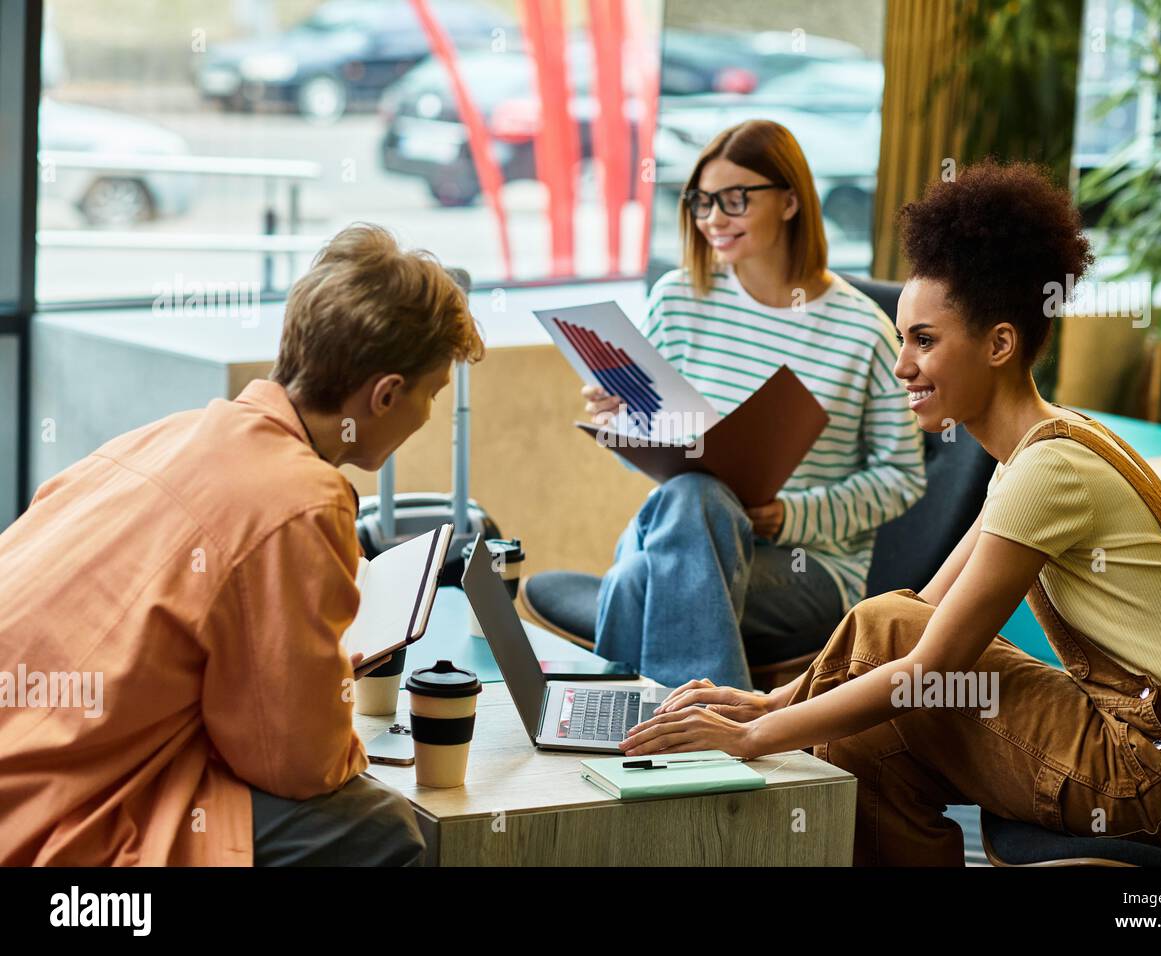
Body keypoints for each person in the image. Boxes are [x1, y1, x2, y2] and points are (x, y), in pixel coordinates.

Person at [617, 160, 1161, 865]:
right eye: (902, 338)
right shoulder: (1034, 454)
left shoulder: (1048, 471)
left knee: (886, 637)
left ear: (999, 344)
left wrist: (752, 734)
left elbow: (929, 661)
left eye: (924, 340)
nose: (902, 365)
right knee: (866, 727)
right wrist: (773, 703)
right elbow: (920, 610)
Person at [0, 224, 484, 866]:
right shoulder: (302, 497)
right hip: (48, 821)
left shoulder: (169, 435)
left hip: (27, 763)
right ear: (386, 393)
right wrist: (329, 695)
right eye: (431, 394)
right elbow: (298, 765)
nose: (425, 415)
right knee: (380, 828)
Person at [582, 120, 925, 691]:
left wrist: (790, 514)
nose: (713, 218)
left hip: (805, 563)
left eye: (735, 199)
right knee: (689, 504)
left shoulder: (861, 330)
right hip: (681, 533)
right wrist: (624, 423)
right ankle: (710, 729)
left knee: (636, 577)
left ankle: (631, 722)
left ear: (789, 201)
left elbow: (902, 477)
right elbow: (659, 452)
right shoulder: (679, 299)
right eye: (702, 201)